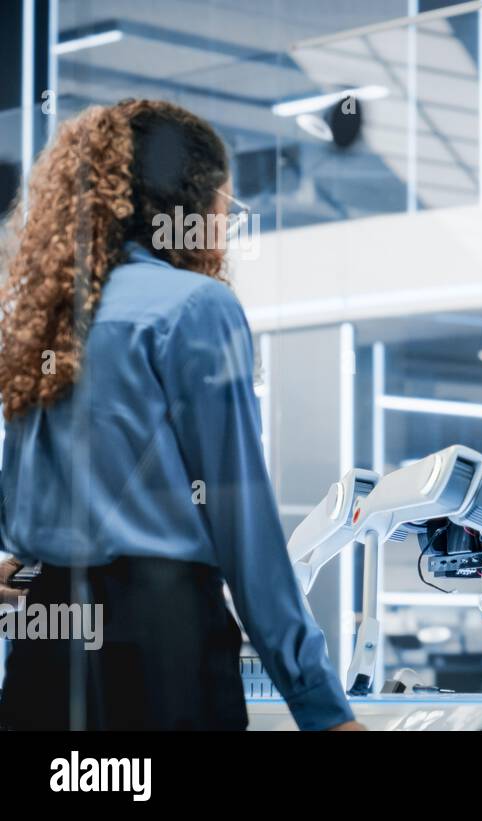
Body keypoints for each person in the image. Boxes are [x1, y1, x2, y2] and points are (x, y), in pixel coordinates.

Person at [0, 99, 361, 730]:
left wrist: (44, 563)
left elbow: (17, 507)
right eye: (227, 203)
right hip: (160, 642)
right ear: (190, 206)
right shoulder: (195, 309)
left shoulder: (45, 318)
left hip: (44, 644)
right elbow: (243, 527)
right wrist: (320, 706)